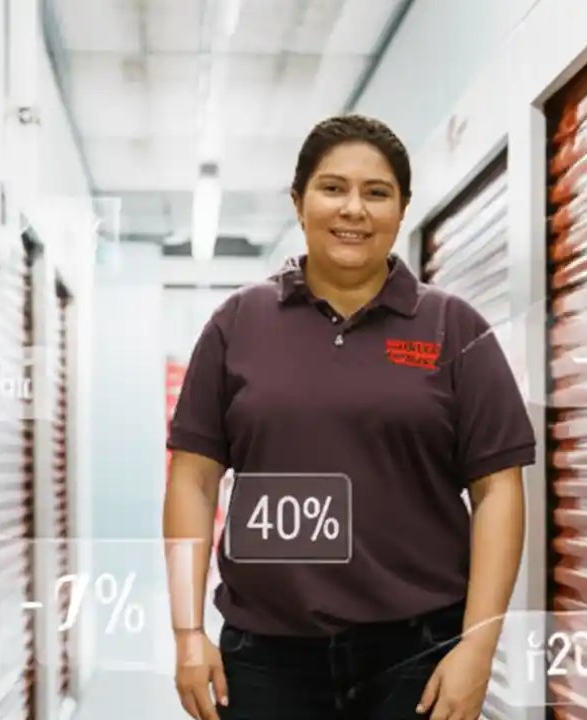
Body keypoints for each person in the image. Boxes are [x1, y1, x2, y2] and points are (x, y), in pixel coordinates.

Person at [163, 113, 535, 720]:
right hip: (264, 659)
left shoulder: (455, 328)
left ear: (403, 208)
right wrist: (186, 632)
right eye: (333, 188)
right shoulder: (238, 324)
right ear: (298, 201)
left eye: (377, 193)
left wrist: (478, 645)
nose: (353, 209)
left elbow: (498, 491)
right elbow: (193, 480)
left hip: (417, 655)